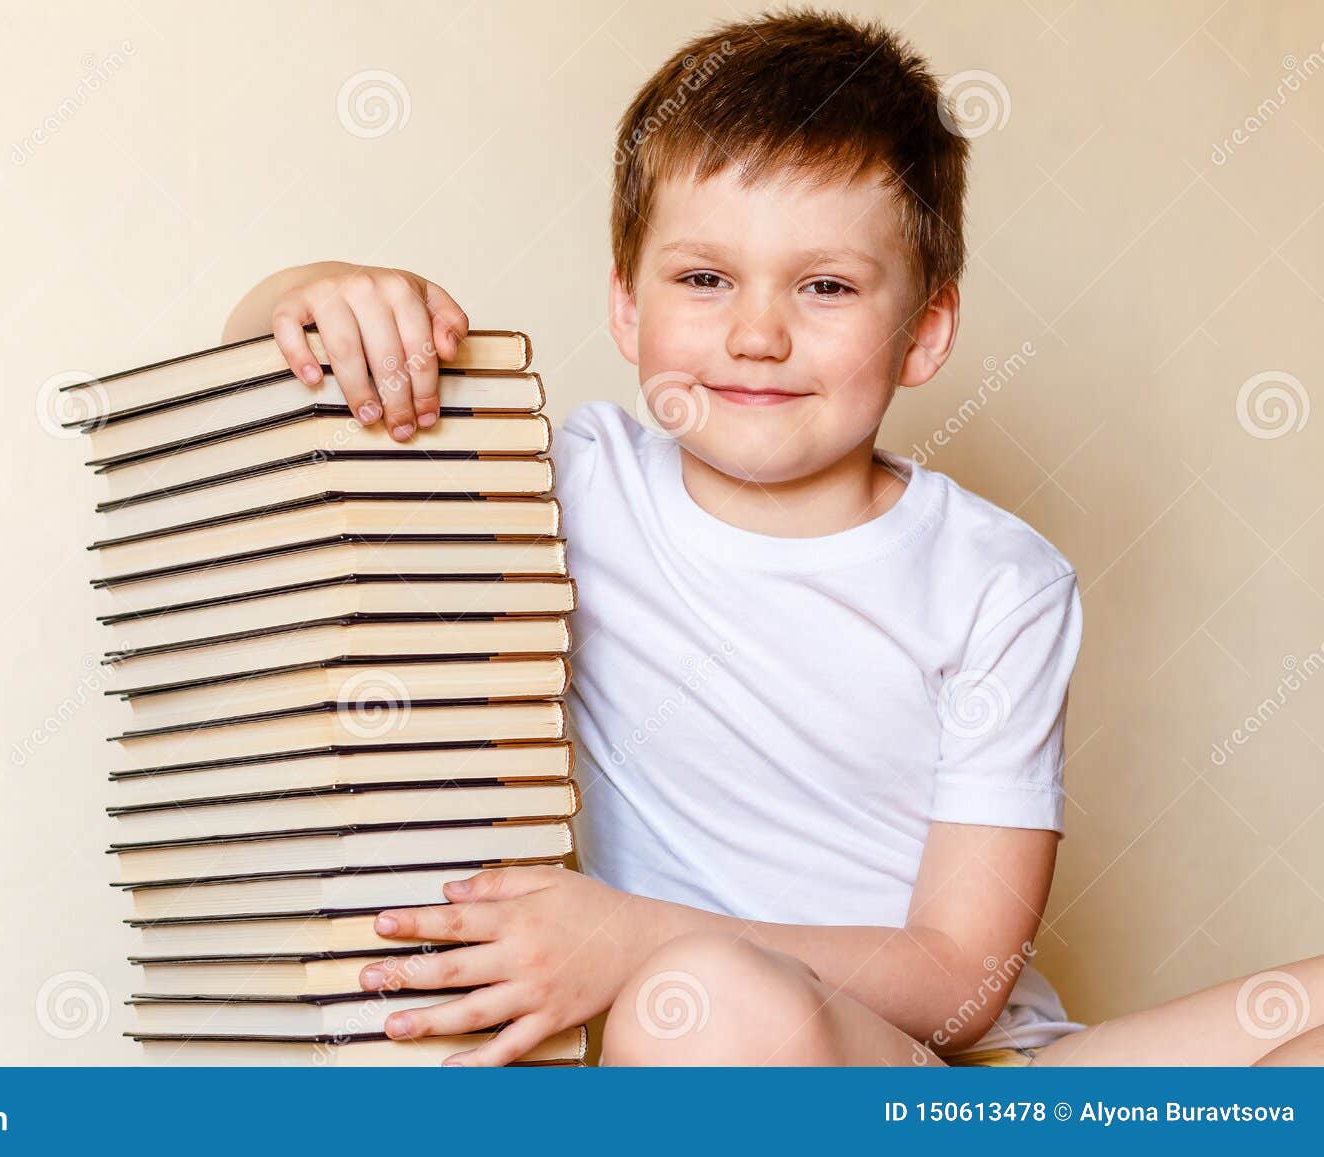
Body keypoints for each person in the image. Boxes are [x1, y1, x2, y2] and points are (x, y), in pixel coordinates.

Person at [220, 8, 1323, 1066]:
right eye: (703, 279)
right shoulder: (565, 485)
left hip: (977, 1073)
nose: (755, 334)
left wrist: (635, 935)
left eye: (826, 286)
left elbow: (965, 977)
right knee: (704, 1004)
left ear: (923, 331)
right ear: (624, 305)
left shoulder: (1000, 579)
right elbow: (282, 412)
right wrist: (317, 296)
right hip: (728, 1037)